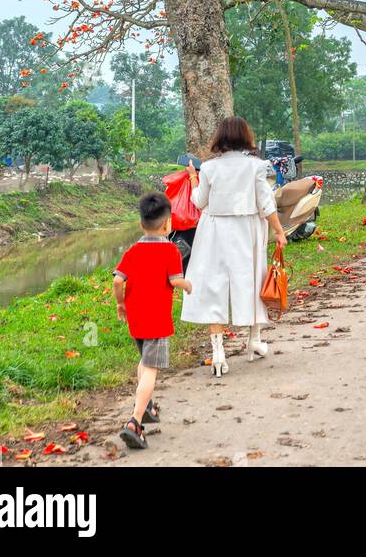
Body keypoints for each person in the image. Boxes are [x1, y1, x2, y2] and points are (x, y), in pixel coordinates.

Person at [181, 115, 287, 374]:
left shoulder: (209, 168)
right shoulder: (256, 167)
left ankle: (218, 354)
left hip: (214, 231)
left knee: (213, 287)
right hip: (246, 230)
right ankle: (254, 341)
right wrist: (279, 231)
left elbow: (198, 201)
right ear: (245, 137)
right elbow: (265, 203)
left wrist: (193, 178)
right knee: (251, 282)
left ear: (220, 138)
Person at [113, 191, 192, 450]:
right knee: (151, 368)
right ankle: (135, 422)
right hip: (157, 319)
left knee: (144, 360)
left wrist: (120, 302)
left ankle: (145, 406)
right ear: (168, 223)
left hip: (136, 316)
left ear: (140, 223)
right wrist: (187, 285)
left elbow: (117, 279)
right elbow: (174, 281)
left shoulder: (133, 250)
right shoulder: (170, 250)